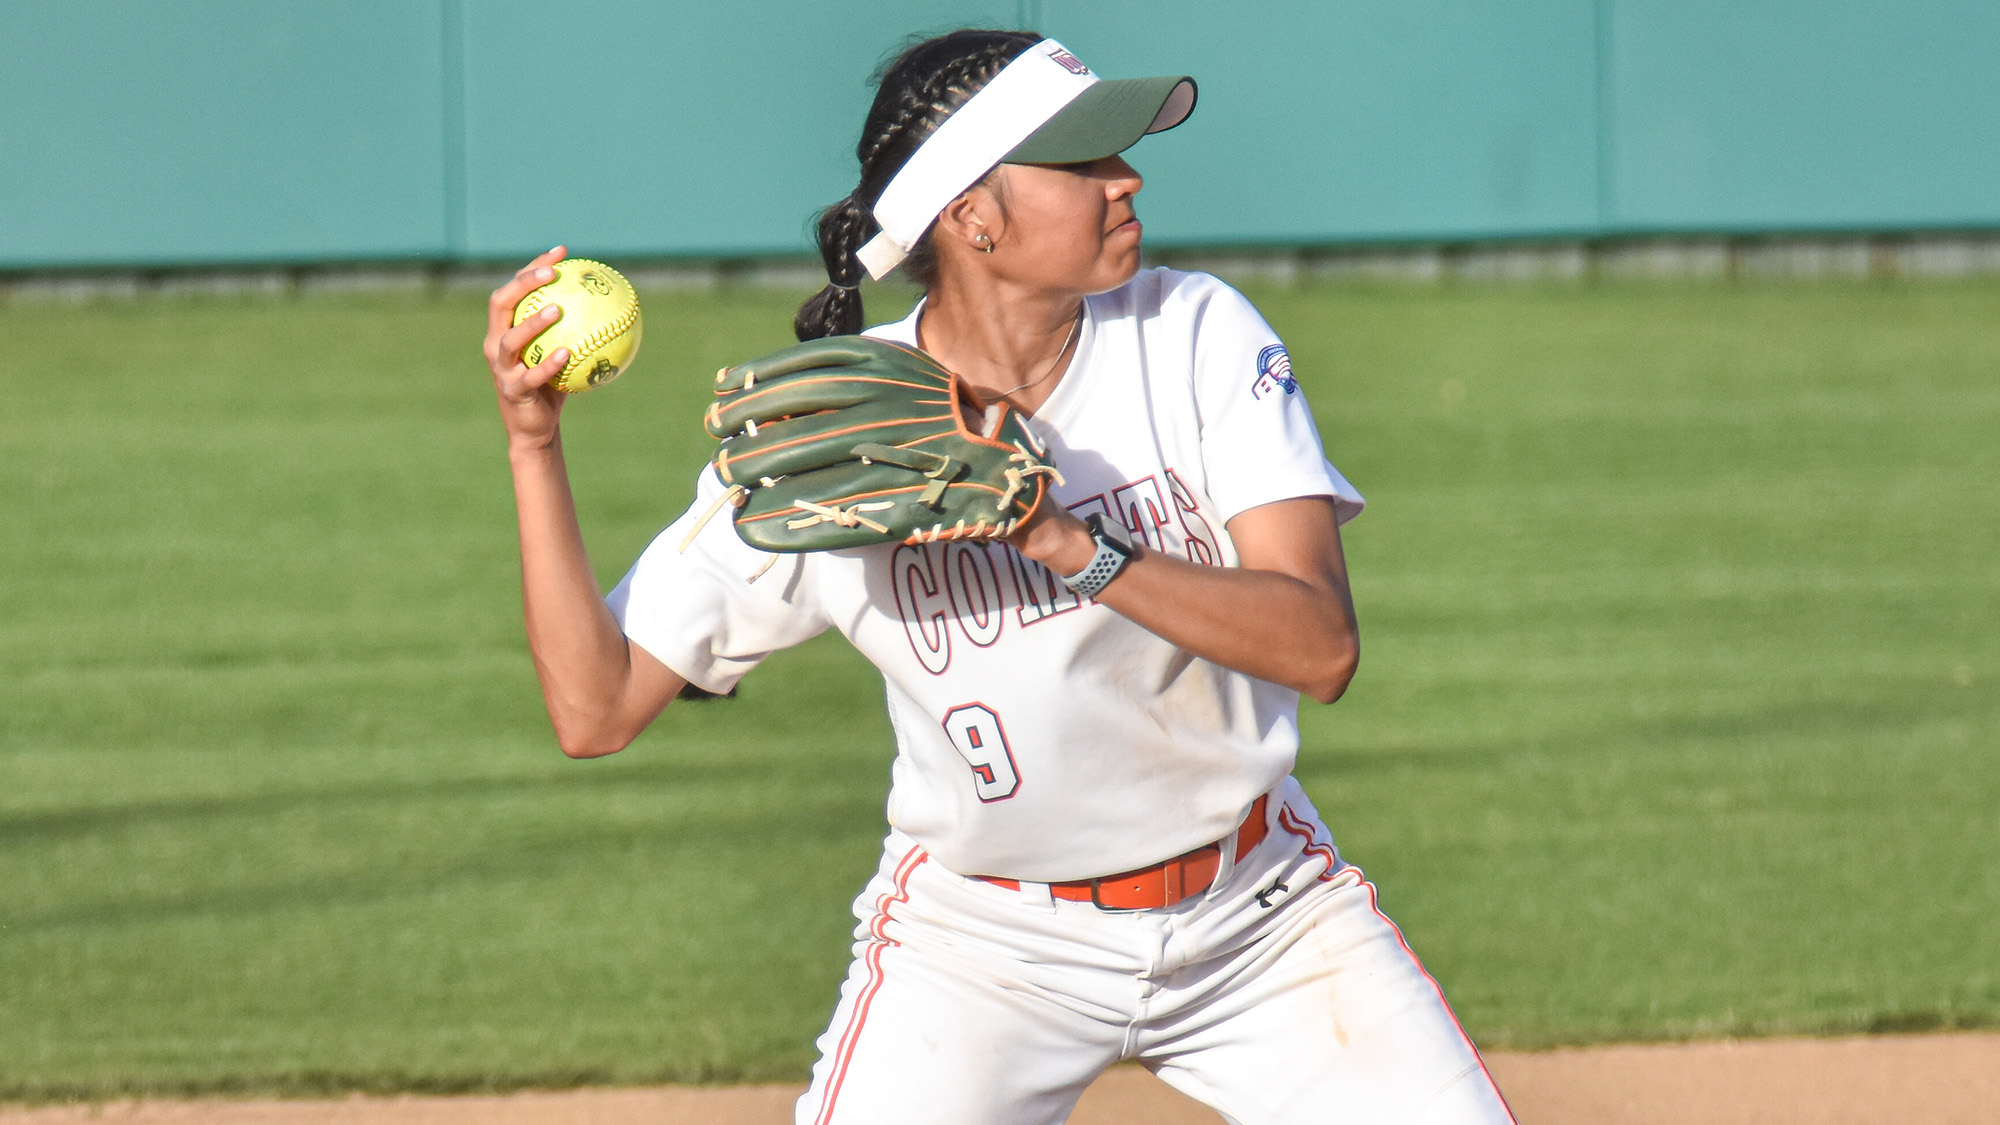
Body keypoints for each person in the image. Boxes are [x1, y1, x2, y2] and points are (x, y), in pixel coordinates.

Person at [484, 28, 1515, 1125]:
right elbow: (592, 709)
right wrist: (531, 444)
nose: (1125, 180)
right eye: (1079, 164)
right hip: (984, 952)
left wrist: (1059, 538)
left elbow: (1318, 646)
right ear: (972, 217)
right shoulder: (844, 443)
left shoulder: (1192, 333)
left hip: (1258, 916)